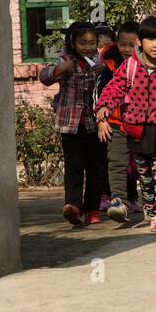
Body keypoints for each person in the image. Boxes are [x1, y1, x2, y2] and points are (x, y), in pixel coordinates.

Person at [95, 16, 156, 232]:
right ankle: (151, 211)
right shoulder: (130, 66)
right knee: (145, 178)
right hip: (136, 130)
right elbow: (114, 88)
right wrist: (104, 106)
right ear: (140, 41)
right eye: (150, 39)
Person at [39, 22, 108, 226]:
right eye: (82, 43)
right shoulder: (64, 60)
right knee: (74, 166)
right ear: (72, 42)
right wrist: (61, 69)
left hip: (95, 123)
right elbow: (44, 77)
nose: (87, 47)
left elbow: (111, 83)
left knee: (97, 167)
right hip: (70, 124)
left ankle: (92, 209)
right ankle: (73, 207)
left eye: (92, 43)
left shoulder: (98, 61)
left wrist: (102, 71)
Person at [97, 21, 141, 221]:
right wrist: (102, 120)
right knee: (116, 162)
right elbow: (101, 94)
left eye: (131, 45)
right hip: (115, 122)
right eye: (122, 44)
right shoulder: (109, 66)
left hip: (141, 123)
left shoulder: (148, 64)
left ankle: (140, 199)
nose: (126, 49)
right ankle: (118, 201)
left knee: (139, 164)